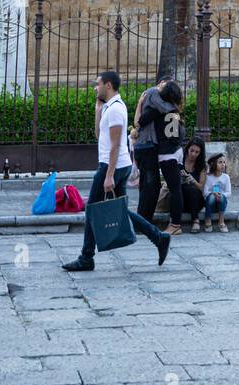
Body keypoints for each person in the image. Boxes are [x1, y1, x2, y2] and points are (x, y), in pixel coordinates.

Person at [62, 70, 171, 271]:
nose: (95, 87)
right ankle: (159, 238)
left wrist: (109, 175)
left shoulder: (115, 110)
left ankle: (86, 257)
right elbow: (98, 135)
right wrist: (97, 109)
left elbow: (114, 146)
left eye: (98, 84)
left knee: (92, 210)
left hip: (112, 166)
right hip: (116, 164)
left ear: (108, 85)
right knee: (120, 210)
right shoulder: (108, 107)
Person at [133, 79, 184, 236]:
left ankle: (175, 224)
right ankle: (174, 223)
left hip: (166, 153)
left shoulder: (157, 110)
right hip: (176, 150)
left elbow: (139, 122)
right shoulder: (174, 111)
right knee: (174, 188)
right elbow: (176, 135)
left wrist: (141, 103)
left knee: (173, 189)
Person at [180, 136, 207, 233]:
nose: (193, 154)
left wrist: (192, 180)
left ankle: (195, 220)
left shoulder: (201, 165)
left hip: (196, 201)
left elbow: (201, 187)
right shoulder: (180, 160)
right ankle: (174, 222)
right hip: (181, 199)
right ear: (187, 148)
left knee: (192, 189)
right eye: (192, 150)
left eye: (197, 152)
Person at [203, 153, 231, 233]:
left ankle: (221, 221)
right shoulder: (208, 177)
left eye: (224, 162)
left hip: (221, 203)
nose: (223, 164)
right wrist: (213, 194)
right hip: (210, 203)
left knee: (222, 196)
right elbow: (205, 192)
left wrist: (220, 194)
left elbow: (229, 193)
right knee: (211, 197)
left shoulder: (226, 177)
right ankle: (208, 220)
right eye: (220, 162)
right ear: (213, 164)